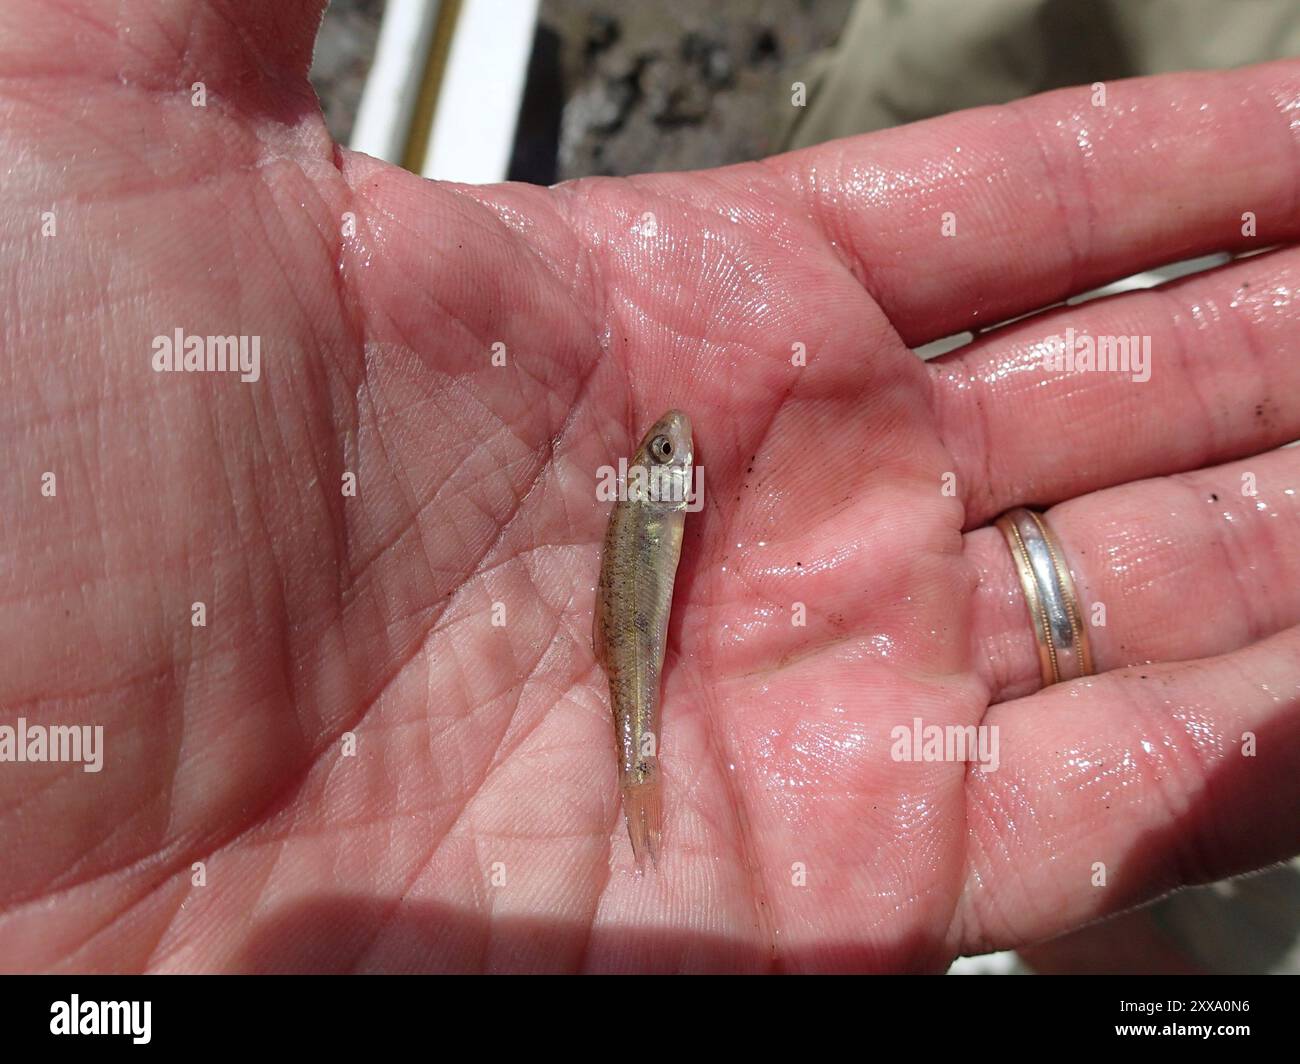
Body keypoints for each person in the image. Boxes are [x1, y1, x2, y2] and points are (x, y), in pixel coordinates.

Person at [0, 1, 1296, 973]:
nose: (675, 471)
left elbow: (650, 541)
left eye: (664, 466)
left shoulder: (653, 502)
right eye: (669, 465)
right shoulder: (655, 501)